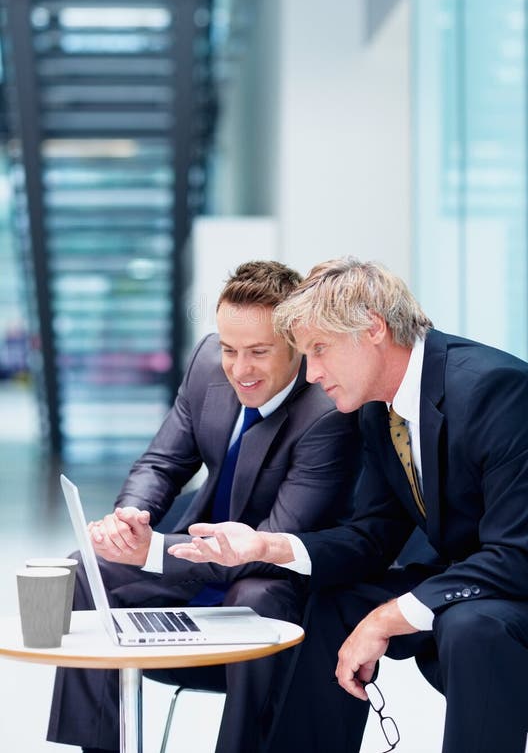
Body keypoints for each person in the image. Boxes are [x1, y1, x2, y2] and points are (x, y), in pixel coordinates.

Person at [169, 256, 528, 753]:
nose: (311, 374)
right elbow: (371, 538)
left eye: (320, 350)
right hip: (483, 571)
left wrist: (384, 619)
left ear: (372, 328)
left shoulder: (496, 390)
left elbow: (514, 559)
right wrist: (267, 544)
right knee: (336, 601)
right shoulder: (379, 411)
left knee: (468, 623)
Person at [47, 260, 362, 753]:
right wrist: (132, 519)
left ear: (298, 345)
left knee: (257, 600)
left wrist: (154, 553)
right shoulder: (207, 364)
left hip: (271, 573)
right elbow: (162, 461)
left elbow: (277, 538)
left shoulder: (327, 415)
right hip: (195, 560)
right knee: (83, 569)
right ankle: (99, 747)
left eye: (259, 352)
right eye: (230, 349)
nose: (240, 369)